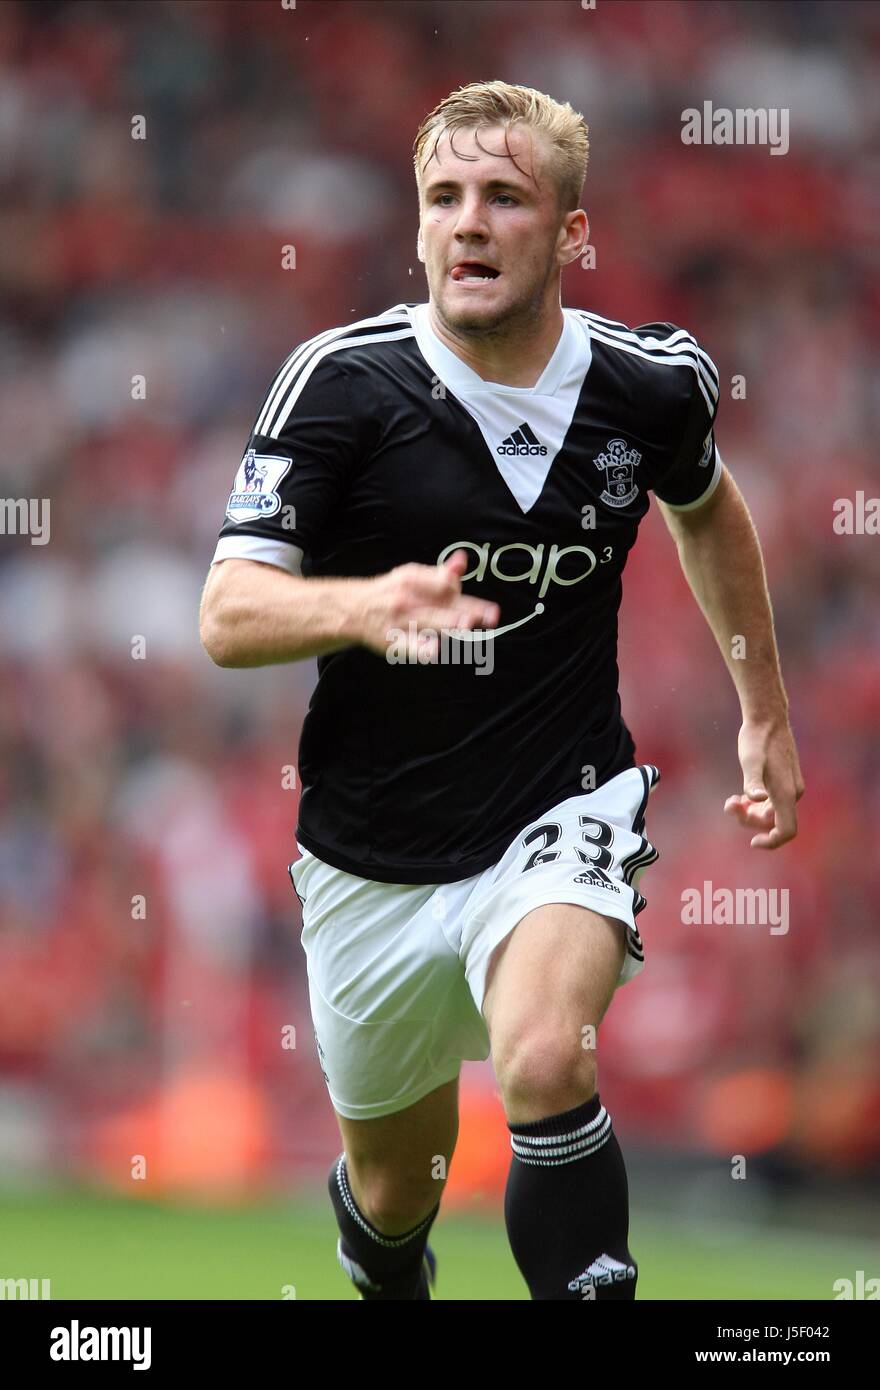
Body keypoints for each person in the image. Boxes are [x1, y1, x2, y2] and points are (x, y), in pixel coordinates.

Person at [199, 80, 804, 1301]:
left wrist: (764, 711)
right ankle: (381, 1257)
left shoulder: (651, 385)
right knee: (396, 1188)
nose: (468, 223)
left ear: (572, 234)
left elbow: (705, 511)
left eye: (504, 198)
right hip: (368, 854)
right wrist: (364, 603)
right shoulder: (341, 382)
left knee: (540, 1059)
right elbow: (226, 615)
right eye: (444, 198)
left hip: (558, 805)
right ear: (419, 228)